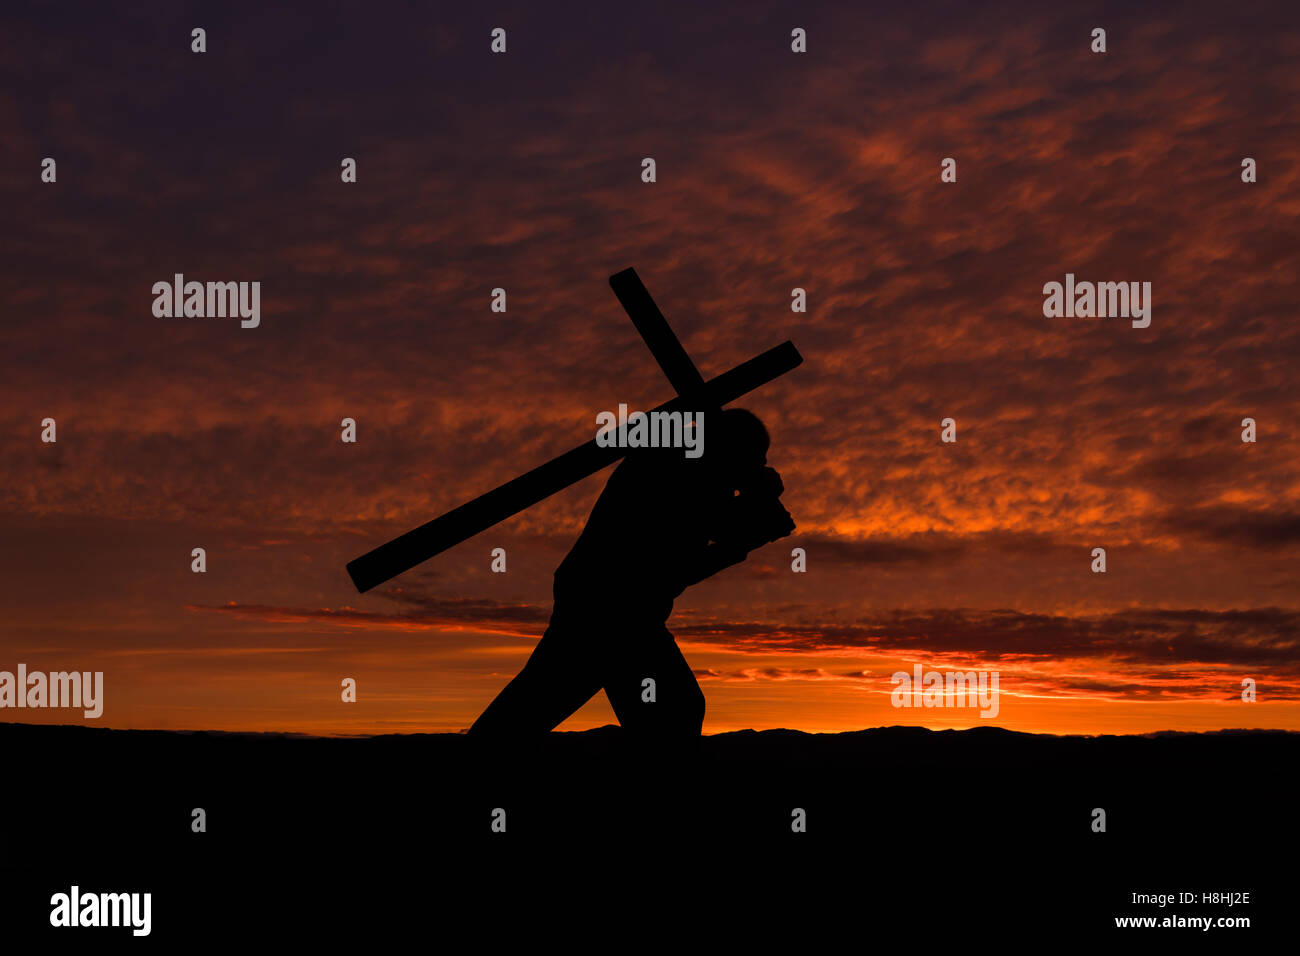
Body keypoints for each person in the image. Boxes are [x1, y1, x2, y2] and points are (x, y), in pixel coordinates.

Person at [467, 408, 794, 745]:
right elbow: (678, 563)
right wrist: (755, 526)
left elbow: (714, 528)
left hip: (609, 604)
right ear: (734, 452)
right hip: (612, 610)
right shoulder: (682, 470)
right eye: (758, 459)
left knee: (539, 704)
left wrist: (755, 515)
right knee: (672, 712)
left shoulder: (688, 466)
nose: (761, 468)